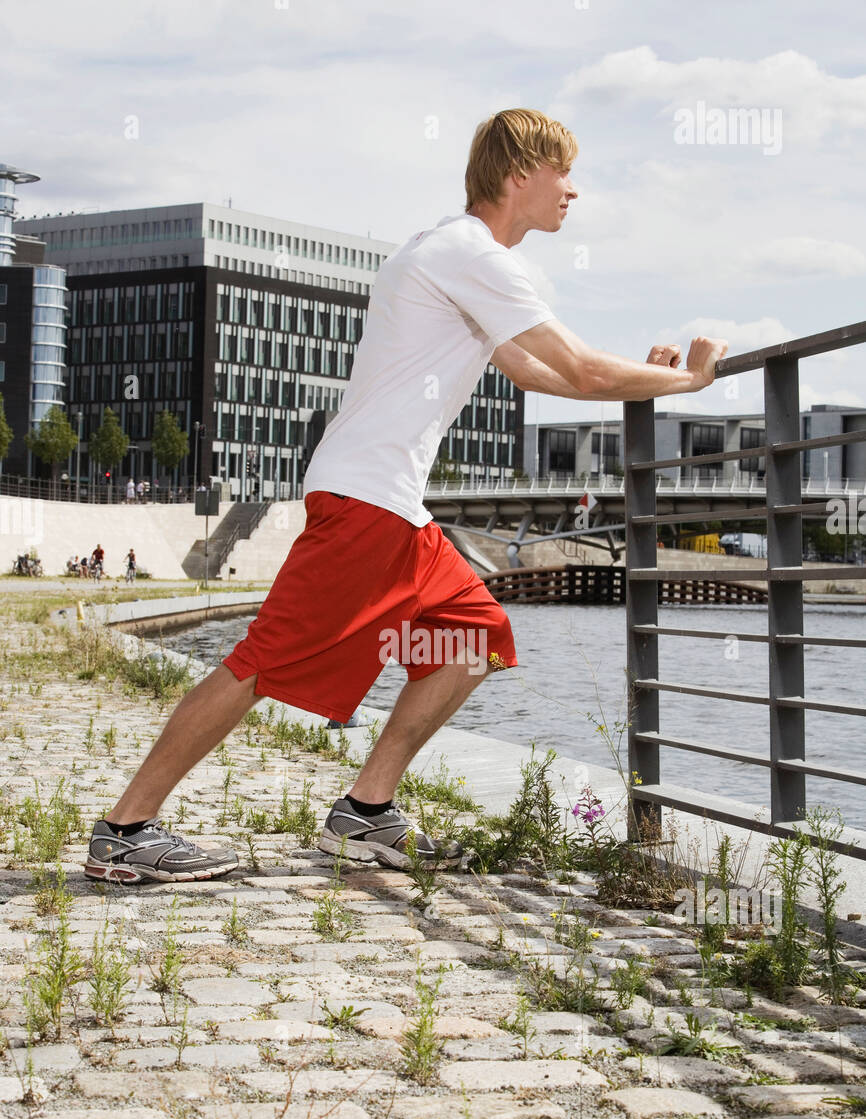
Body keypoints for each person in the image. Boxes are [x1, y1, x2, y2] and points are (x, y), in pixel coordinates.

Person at [84, 107, 727, 886]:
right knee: (261, 663)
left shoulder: (454, 255)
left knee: (473, 634)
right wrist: (688, 379)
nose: (574, 191)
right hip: (366, 500)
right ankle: (125, 829)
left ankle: (365, 811)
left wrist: (648, 374)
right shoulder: (470, 252)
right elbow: (583, 371)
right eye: (565, 172)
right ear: (520, 174)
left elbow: (539, 374)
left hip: (390, 503)